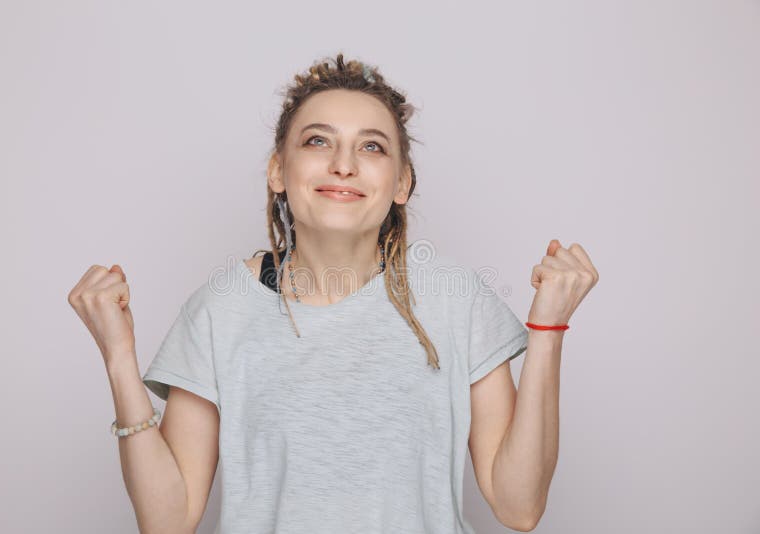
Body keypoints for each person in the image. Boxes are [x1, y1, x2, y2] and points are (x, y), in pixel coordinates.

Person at [68, 52, 599, 533]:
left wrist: (548, 330)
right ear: (279, 170)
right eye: (318, 140)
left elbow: (519, 505)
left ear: (401, 184)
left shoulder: (456, 300)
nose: (343, 164)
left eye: (371, 146)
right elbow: (168, 523)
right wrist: (119, 359)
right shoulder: (221, 309)